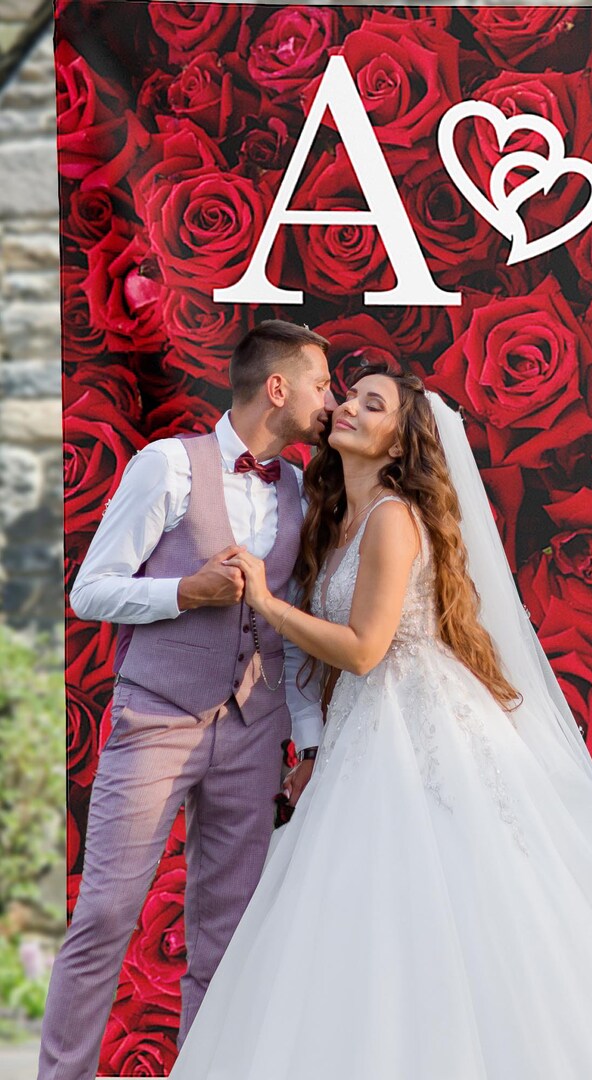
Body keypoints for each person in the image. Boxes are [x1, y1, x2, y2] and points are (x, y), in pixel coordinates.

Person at [169, 365, 592, 1080]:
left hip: (420, 727)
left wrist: (264, 600)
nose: (346, 407)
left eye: (370, 405)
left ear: (399, 444)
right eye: (349, 396)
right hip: (363, 733)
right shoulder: (340, 519)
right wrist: (313, 746)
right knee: (364, 920)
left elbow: (367, 650)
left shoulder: (394, 518)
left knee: (451, 906)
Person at [39, 321, 337, 1080]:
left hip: (254, 728)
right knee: (105, 915)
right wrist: (186, 592)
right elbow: (89, 591)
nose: (328, 399)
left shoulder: (299, 488)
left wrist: (304, 739)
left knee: (226, 936)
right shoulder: (166, 466)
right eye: (321, 384)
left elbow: (292, 630)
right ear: (279, 388)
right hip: (158, 719)